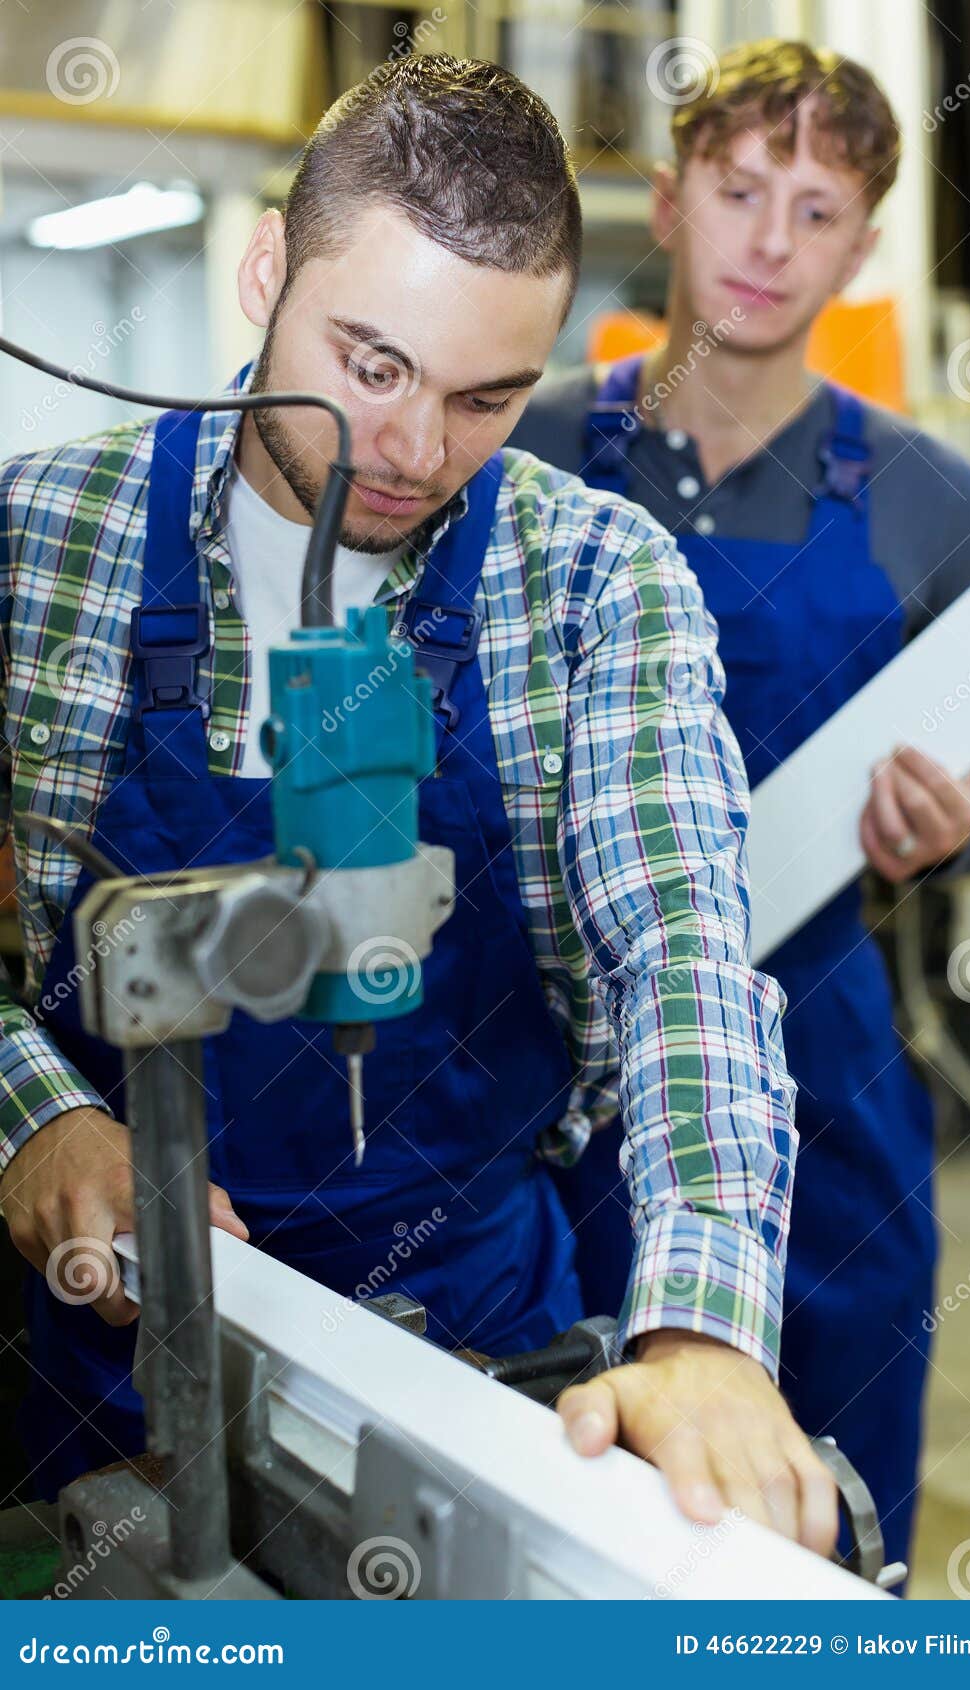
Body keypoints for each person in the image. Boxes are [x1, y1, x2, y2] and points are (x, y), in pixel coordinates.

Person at [0, 56, 837, 1553]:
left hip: (466, 1329)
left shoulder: (596, 579)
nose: (410, 452)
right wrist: (34, 1117)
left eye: (485, 398)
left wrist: (705, 1329)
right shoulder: (38, 543)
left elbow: (682, 956)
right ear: (267, 268)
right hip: (100, 1326)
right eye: (370, 365)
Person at [509, 38, 970, 1568]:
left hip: (833, 1042)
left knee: (848, 1450)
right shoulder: (534, 449)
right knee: (606, 1469)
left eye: (816, 210)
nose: (769, 241)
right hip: (570, 1043)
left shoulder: (928, 488)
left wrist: (953, 822)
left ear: (865, 244)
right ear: (670, 203)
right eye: (740, 191)